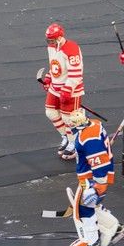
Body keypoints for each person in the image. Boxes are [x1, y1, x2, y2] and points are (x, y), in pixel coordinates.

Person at [68, 109, 124, 246]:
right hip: (92, 176)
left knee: (84, 209)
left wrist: (98, 187)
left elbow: (99, 163)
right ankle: (115, 229)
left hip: (92, 178)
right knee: (93, 206)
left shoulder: (88, 138)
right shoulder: (94, 124)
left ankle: (92, 243)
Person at [40, 23, 84, 160]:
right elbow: (53, 65)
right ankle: (66, 136)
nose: (50, 43)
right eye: (49, 40)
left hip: (70, 89)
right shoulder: (51, 47)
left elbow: (76, 73)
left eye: (52, 40)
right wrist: (48, 78)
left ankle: (75, 143)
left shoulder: (71, 48)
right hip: (56, 87)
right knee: (50, 112)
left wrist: (67, 89)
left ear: (59, 38)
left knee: (69, 118)